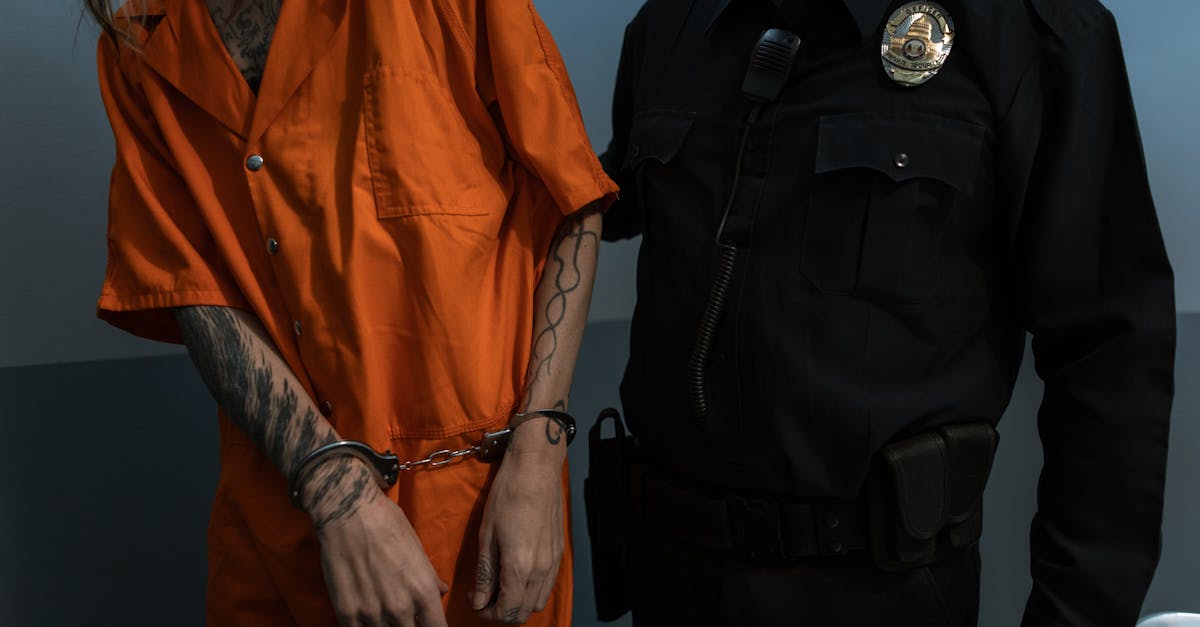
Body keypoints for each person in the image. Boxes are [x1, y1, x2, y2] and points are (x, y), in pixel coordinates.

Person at [596, 0, 1175, 625]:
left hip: (879, 590)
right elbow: (592, 209)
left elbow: (1110, 351)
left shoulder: (1033, 33)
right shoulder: (669, 24)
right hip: (671, 576)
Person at [86, 0, 617, 625]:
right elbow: (194, 291)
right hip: (284, 531)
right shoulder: (140, 44)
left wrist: (536, 454)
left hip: (483, 512)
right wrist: (338, 497)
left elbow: (572, 198)